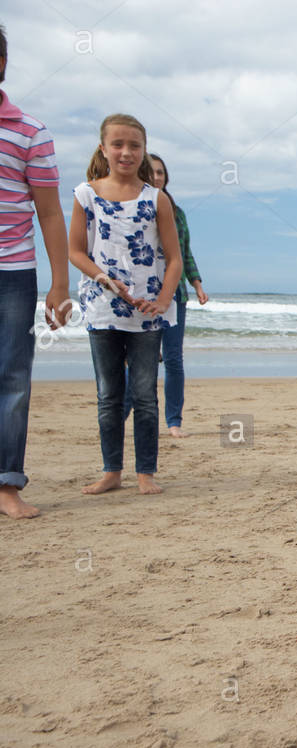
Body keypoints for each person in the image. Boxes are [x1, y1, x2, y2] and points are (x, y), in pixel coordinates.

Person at [68, 114, 181, 495]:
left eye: (134, 145)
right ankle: (111, 471)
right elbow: (75, 251)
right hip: (102, 307)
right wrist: (103, 278)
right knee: (109, 395)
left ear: (143, 151)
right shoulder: (86, 194)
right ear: (104, 148)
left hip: (147, 312)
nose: (126, 152)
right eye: (118, 144)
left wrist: (164, 299)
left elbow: (174, 256)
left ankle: (145, 473)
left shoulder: (156, 198)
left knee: (146, 395)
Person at [0, 24, 71, 519]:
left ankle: (6, 485)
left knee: (12, 377)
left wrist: (60, 283)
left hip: (13, 272)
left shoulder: (29, 130)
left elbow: (49, 211)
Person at [123, 153, 207, 438]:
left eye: (161, 173)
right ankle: (120, 414)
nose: (157, 177)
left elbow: (184, 252)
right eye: (152, 172)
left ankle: (174, 421)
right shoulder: (134, 209)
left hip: (176, 295)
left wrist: (196, 283)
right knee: (138, 360)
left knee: (173, 359)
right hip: (143, 295)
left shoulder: (177, 212)